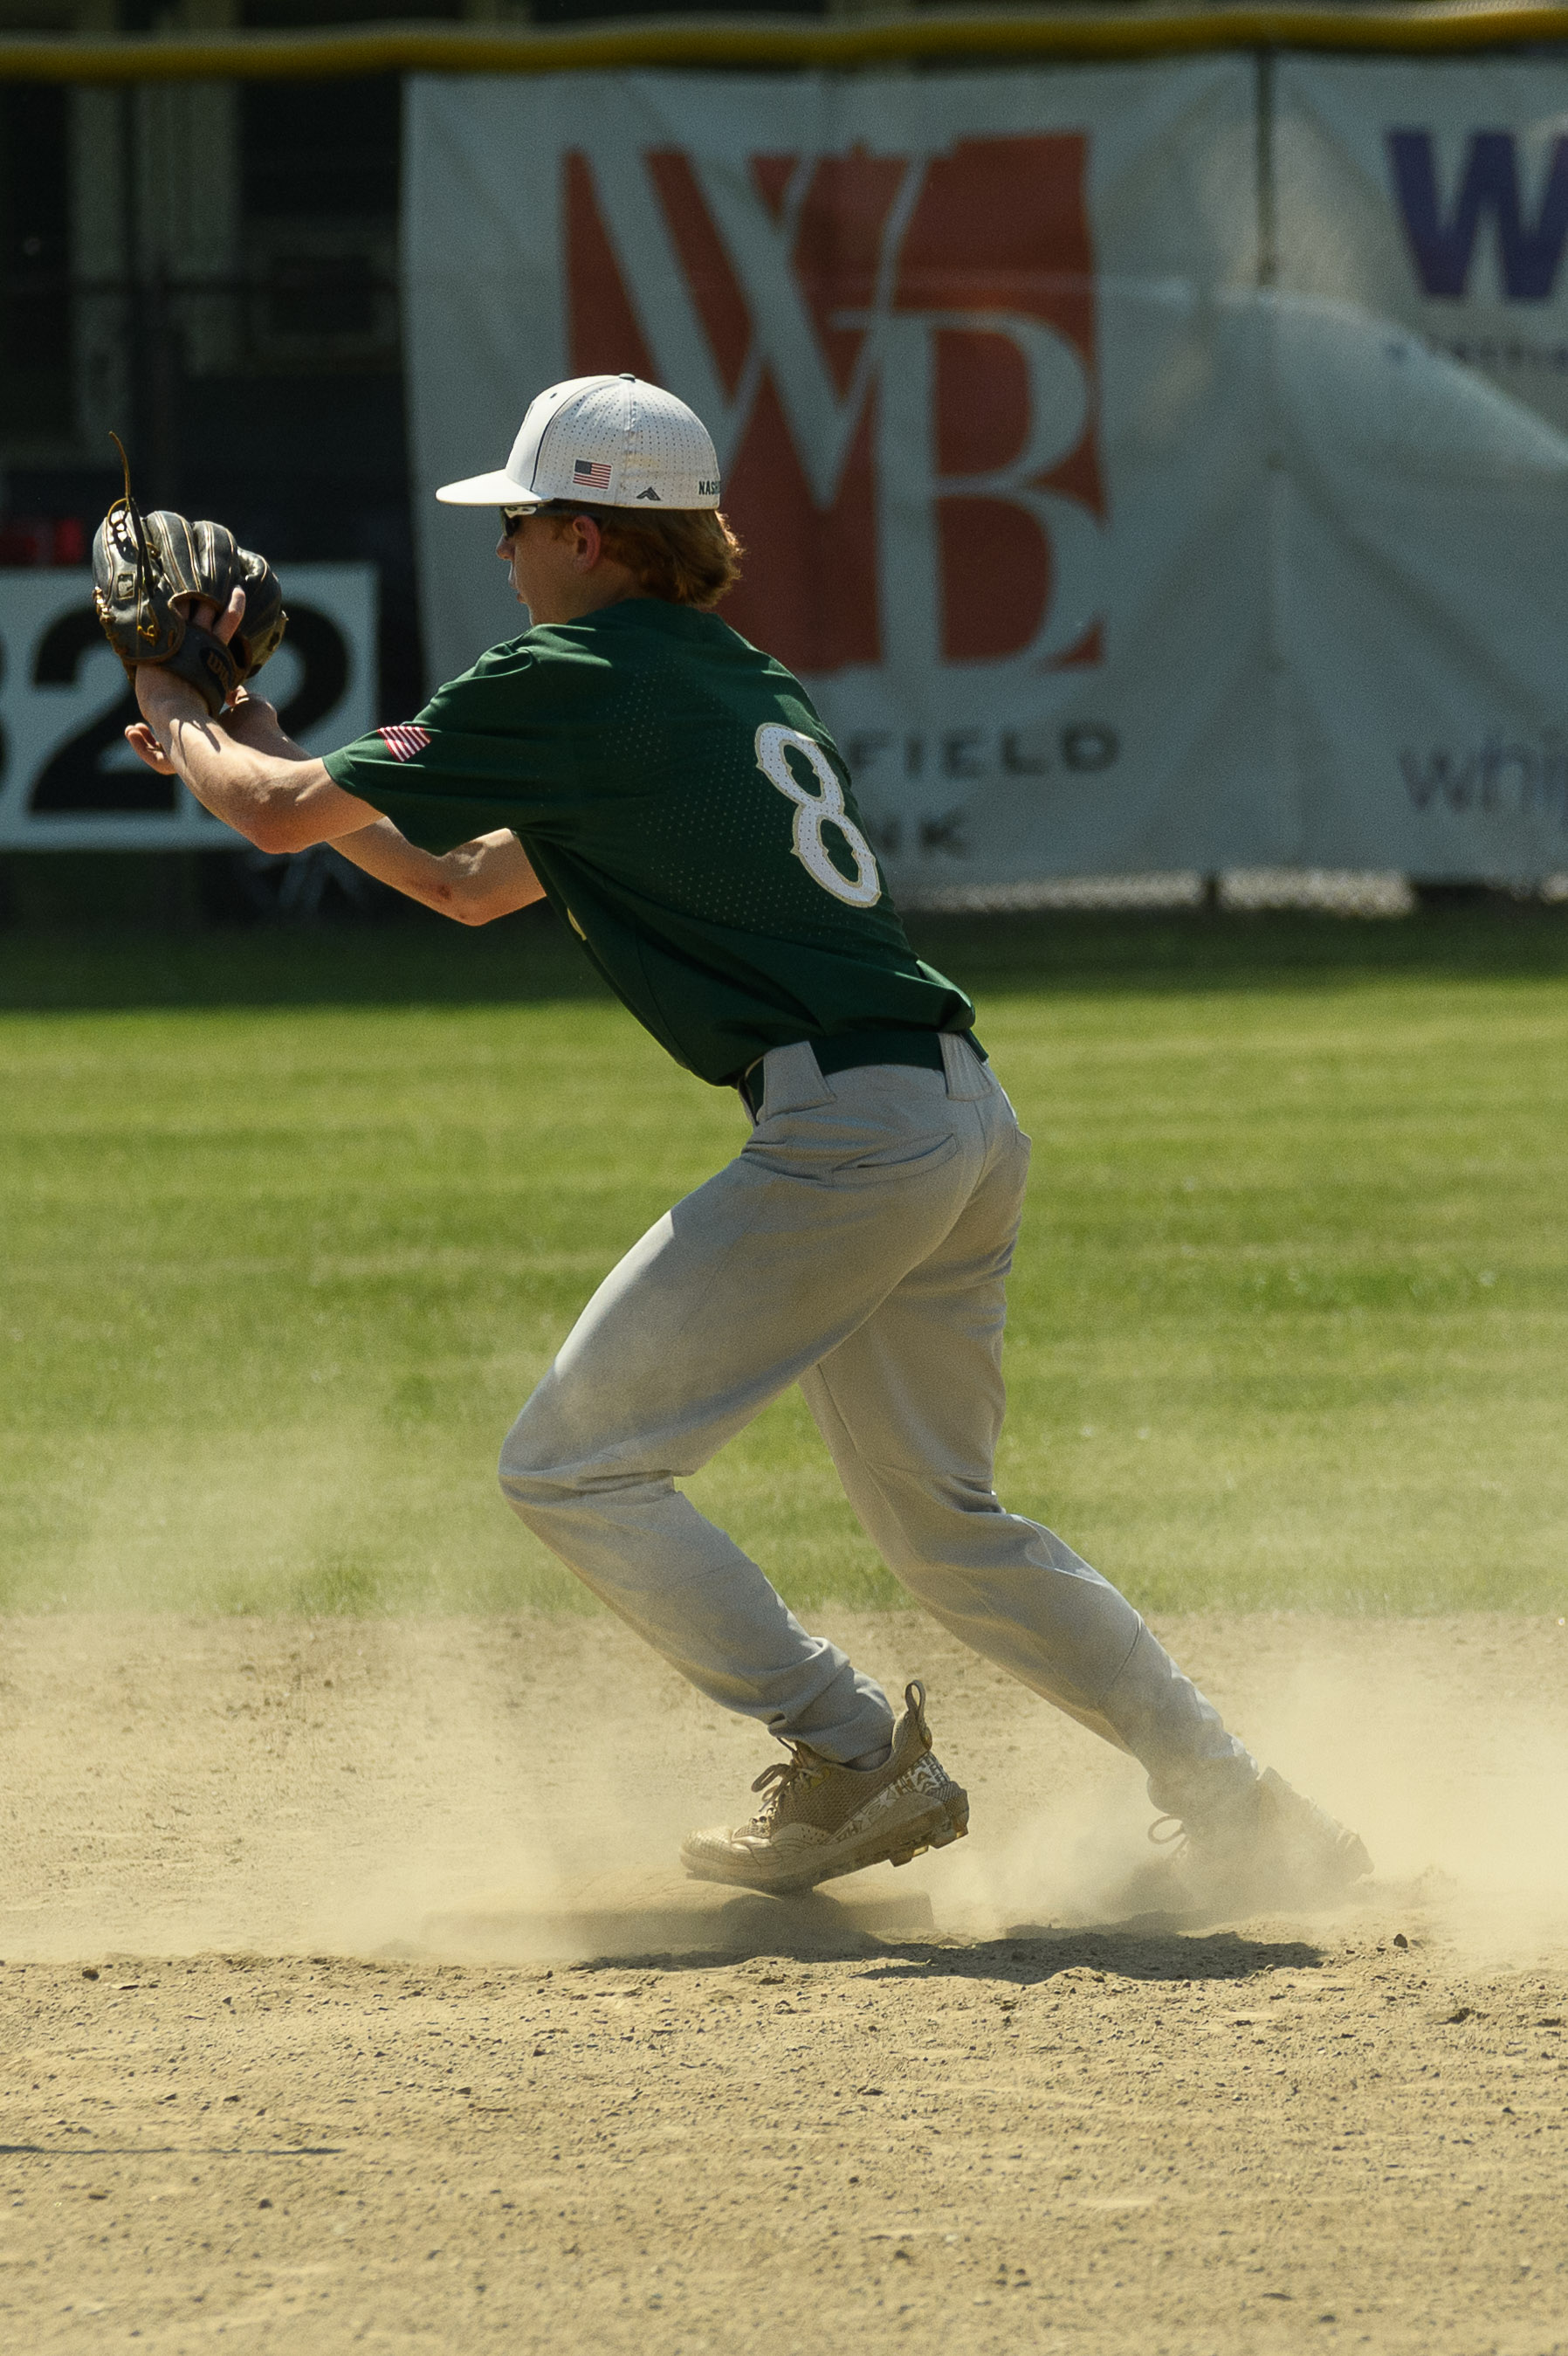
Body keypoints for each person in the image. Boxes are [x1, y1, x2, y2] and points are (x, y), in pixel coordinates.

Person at [120, 375, 1366, 1906]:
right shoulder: (736, 678)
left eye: (518, 523)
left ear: (586, 532)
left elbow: (276, 814)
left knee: (570, 1469)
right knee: (949, 1526)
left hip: (849, 1128)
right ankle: (1236, 1802)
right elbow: (458, 883)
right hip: (958, 1112)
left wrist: (177, 700)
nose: (504, 552)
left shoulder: (566, 672)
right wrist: (234, 725)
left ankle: (848, 1749)